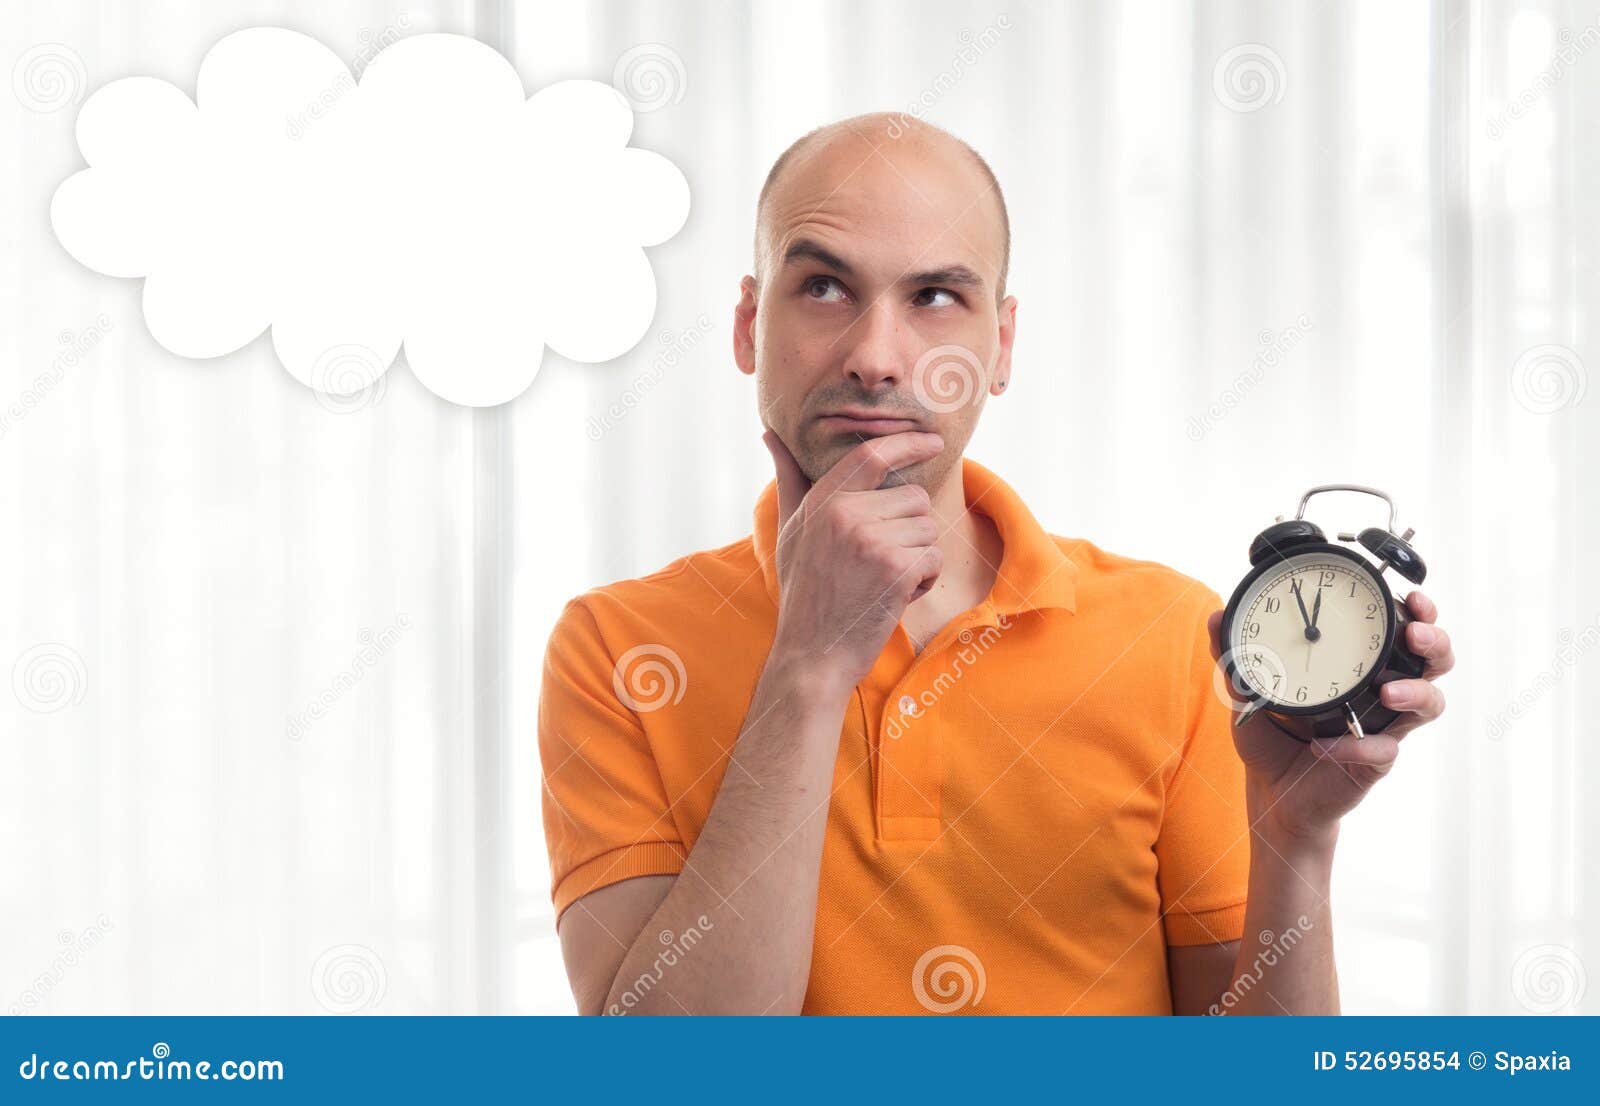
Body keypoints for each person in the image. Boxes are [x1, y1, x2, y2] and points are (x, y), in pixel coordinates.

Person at [537, 113, 1454, 1015]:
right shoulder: (617, 650)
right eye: (822, 287)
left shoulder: (1174, 637)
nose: (876, 358)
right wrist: (807, 672)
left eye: (935, 298)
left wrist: (1296, 839)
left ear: (1001, 347)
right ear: (747, 325)